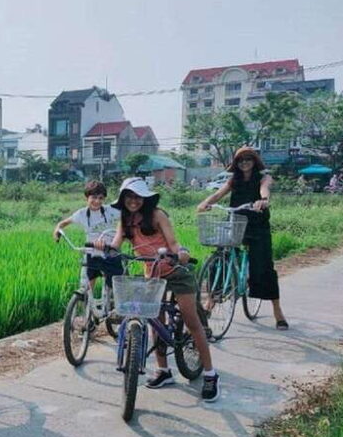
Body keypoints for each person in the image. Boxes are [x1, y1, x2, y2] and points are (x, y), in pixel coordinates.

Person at [99, 177, 220, 402]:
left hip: (176, 272)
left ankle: (210, 374)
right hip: (152, 275)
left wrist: (181, 254)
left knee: (192, 322)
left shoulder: (157, 215)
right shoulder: (125, 220)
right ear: (123, 199)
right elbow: (116, 244)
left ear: (145, 198)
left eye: (137, 197)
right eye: (129, 197)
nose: (133, 201)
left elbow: (173, 244)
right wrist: (104, 247)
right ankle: (163, 370)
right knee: (155, 322)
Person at [197, 146, 289, 330]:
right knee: (220, 259)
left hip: (257, 226)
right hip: (236, 222)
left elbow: (265, 190)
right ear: (236, 163)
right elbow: (218, 194)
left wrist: (263, 201)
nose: (244, 162)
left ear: (254, 161)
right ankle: (210, 302)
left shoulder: (263, 177)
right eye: (240, 160)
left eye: (248, 159)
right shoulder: (234, 180)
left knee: (264, 267)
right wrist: (205, 202)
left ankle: (277, 310)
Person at [53, 180, 123, 291]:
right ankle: (86, 301)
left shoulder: (110, 211)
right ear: (87, 197)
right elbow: (63, 223)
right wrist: (57, 230)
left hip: (110, 252)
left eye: (100, 198)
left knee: (113, 287)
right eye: (94, 197)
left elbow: (125, 217)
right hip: (91, 252)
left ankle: (111, 300)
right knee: (86, 287)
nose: (97, 201)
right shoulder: (81, 214)